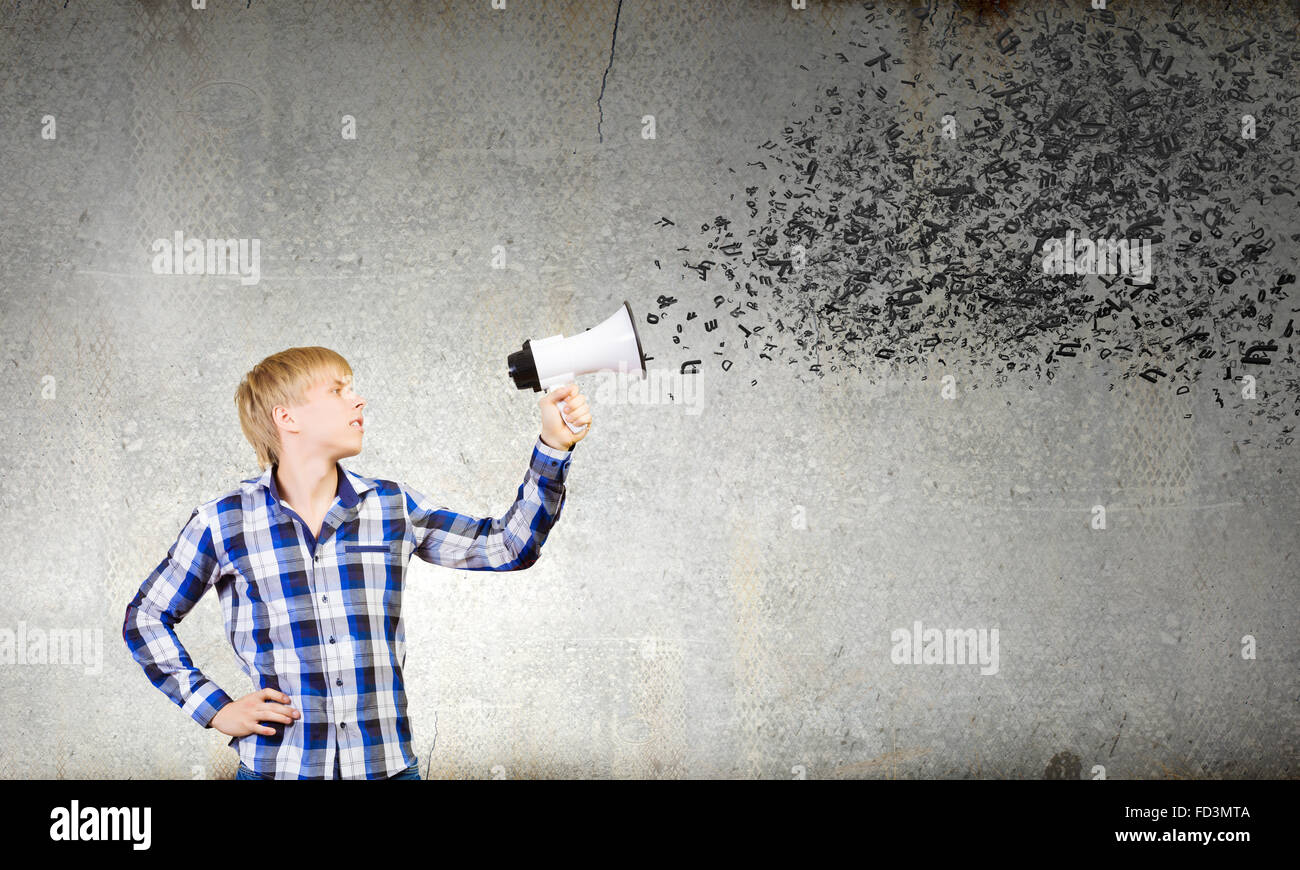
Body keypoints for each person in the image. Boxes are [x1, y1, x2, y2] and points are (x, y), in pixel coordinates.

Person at [122, 346, 591, 779]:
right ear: (286, 417)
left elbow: (508, 547)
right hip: (277, 769)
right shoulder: (223, 520)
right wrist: (216, 708)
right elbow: (146, 617)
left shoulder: (392, 505)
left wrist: (554, 447)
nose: (359, 401)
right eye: (338, 390)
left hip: (387, 767)